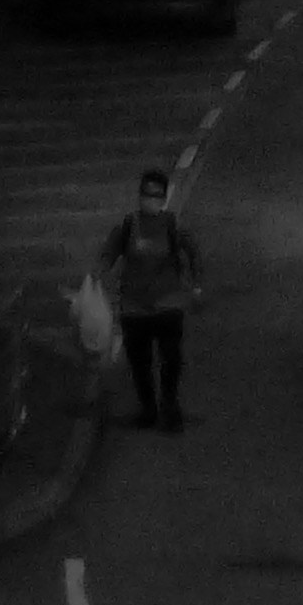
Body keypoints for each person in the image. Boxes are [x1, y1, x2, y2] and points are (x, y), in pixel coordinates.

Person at [97, 169, 201, 431]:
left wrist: (196, 284)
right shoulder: (129, 224)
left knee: (171, 359)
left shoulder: (172, 225)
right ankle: (148, 408)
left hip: (167, 304)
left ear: (163, 198)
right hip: (134, 309)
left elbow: (193, 252)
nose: (149, 200)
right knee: (139, 364)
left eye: (155, 195)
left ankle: (169, 404)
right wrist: (98, 278)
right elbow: (109, 252)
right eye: (145, 194)